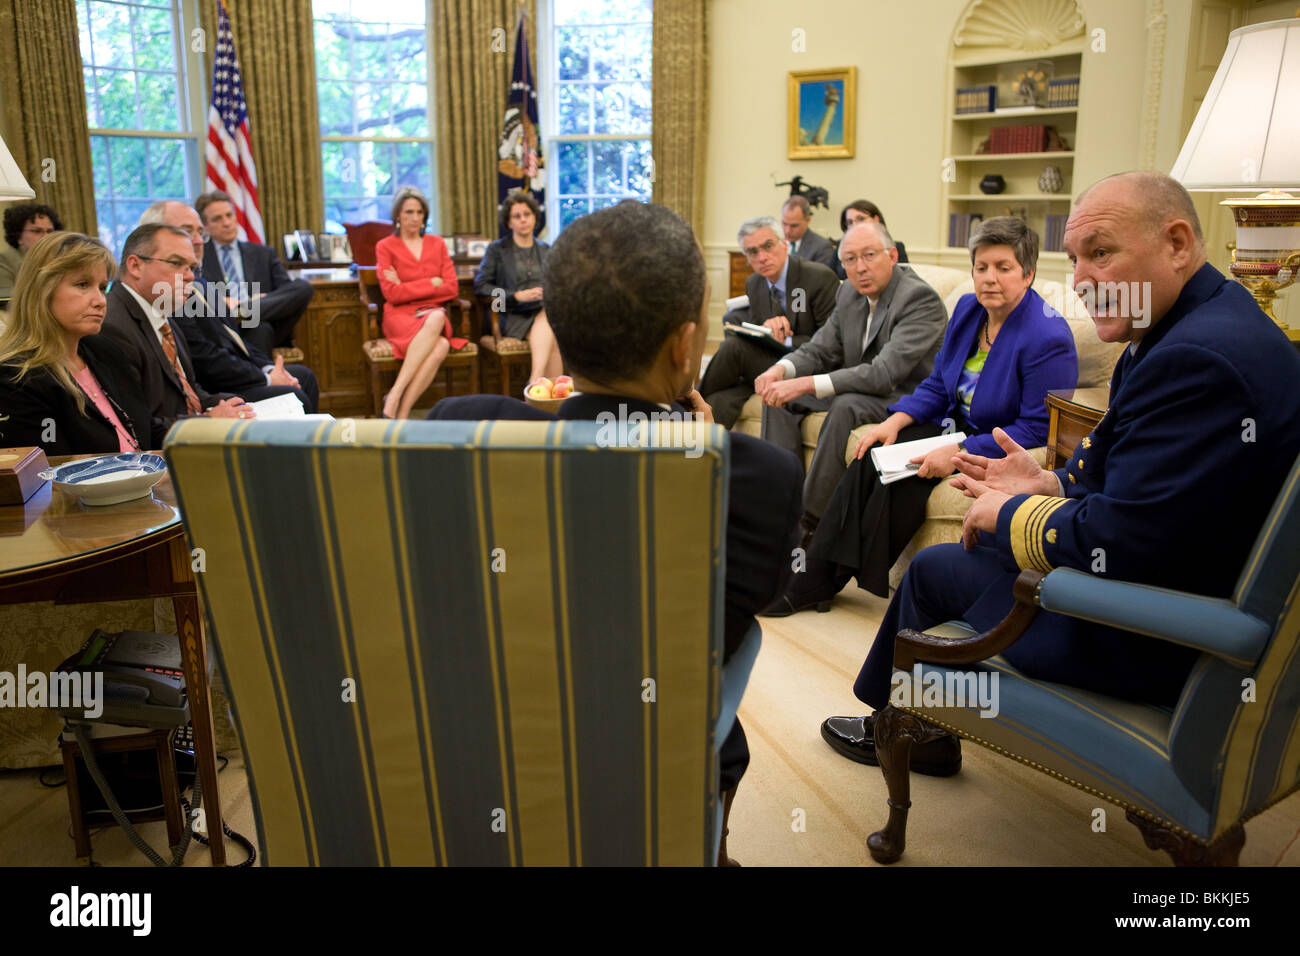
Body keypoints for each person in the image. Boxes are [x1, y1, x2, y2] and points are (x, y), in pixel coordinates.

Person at [821, 171, 1300, 776]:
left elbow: (1118, 540)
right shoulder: (1180, 328)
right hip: (1153, 578)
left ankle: (903, 728)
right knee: (935, 566)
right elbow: (1111, 465)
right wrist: (1049, 484)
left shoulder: (1196, 360)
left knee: (941, 570)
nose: (1080, 280)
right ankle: (916, 727)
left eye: (1101, 253)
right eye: (1074, 259)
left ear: (1178, 244)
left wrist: (1012, 513)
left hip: (1153, 630)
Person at [429, 201, 804, 866]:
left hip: (475, 750)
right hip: (644, 756)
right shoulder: (752, 480)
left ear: (558, 328)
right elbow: (746, 614)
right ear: (684, 344)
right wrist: (701, 441)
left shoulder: (459, 427)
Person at [766, 217, 1077, 616]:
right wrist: (895, 420)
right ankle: (818, 578)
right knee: (872, 453)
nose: (989, 279)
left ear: (1028, 274)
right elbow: (936, 384)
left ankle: (816, 582)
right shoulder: (968, 310)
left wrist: (957, 449)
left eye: (1003, 268)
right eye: (981, 268)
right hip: (950, 424)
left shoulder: (1048, 336)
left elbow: (1036, 428)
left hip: (990, 443)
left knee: (903, 480)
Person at [754, 219, 947, 546]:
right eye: (850, 260)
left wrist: (804, 384)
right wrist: (782, 370)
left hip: (905, 397)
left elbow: (884, 373)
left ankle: (810, 525)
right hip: (861, 387)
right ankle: (781, 503)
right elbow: (820, 348)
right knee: (778, 397)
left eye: (869, 255)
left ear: (892, 255)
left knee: (844, 404)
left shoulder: (918, 299)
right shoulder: (848, 293)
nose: (860, 268)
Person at [141, 200, 319, 413]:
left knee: (301, 373)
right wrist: (267, 378)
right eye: (187, 232)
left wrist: (269, 369)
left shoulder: (201, 283)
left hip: (249, 333)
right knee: (291, 388)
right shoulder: (172, 289)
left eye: (200, 232)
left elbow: (235, 341)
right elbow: (206, 359)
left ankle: (245, 310)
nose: (197, 241)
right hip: (212, 388)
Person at [0, 232, 162, 454]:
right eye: (82, 284)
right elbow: (50, 472)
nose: (99, 301)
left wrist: (204, 430)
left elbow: (148, 431)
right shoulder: (15, 378)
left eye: (102, 287)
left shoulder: (106, 351)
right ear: (42, 289)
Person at [101, 223, 254, 430]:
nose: (190, 276)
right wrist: (210, 422)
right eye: (176, 263)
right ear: (135, 266)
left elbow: (188, 392)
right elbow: (139, 429)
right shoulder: (113, 327)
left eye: (191, 267)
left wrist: (231, 405)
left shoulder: (162, 314)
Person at [698, 216, 839, 427]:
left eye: (768, 246)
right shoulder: (754, 283)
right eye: (753, 252)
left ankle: (689, 404)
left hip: (809, 366)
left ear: (784, 245)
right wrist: (763, 331)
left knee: (734, 348)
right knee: (720, 399)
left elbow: (831, 346)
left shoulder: (817, 278)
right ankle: (698, 441)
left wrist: (785, 340)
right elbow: (758, 338)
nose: (762, 257)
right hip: (769, 361)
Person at [374, 186, 463, 420]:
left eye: (419, 212)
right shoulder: (385, 247)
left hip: (431, 315)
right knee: (439, 331)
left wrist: (407, 287)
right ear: (397, 216)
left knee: (438, 328)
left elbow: (452, 288)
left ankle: (399, 410)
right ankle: (396, 397)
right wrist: (431, 284)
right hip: (399, 316)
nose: (415, 218)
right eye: (408, 212)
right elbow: (391, 294)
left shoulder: (437, 244)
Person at [196, 189, 314, 355]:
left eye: (229, 215)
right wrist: (220, 301)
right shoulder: (198, 258)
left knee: (303, 287)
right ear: (205, 227)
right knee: (259, 325)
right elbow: (194, 296)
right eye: (217, 219)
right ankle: (244, 314)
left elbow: (286, 293)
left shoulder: (263, 254)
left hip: (265, 323)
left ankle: (244, 311)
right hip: (223, 329)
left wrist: (258, 304)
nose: (227, 223)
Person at [474, 189, 563, 386]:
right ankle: (545, 395)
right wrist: (516, 296)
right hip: (509, 314)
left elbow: (556, 284)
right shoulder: (497, 250)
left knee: (550, 328)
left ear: (534, 218)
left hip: (540, 312)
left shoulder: (546, 250)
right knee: (553, 337)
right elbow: (482, 287)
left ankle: (538, 390)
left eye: (527, 214)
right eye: (517, 216)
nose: (523, 220)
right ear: (509, 222)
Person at [0, 202, 63, 302]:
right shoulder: (4, 262)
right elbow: (8, 303)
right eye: (37, 231)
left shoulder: (63, 258)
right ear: (18, 235)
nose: (45, 237)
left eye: (50, 231)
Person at [834, 200, 907, 277]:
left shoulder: (896, 247)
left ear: (876, 219)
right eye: (850, 222)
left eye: (861, 219)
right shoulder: (842, 248)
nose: (855, 225)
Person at [780, 195, 837, 270]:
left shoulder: (822, 247)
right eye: (784, 224)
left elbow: (820, 279)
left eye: (794, 226)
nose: (787, 230)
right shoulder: (775, 243)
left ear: (808, 220)